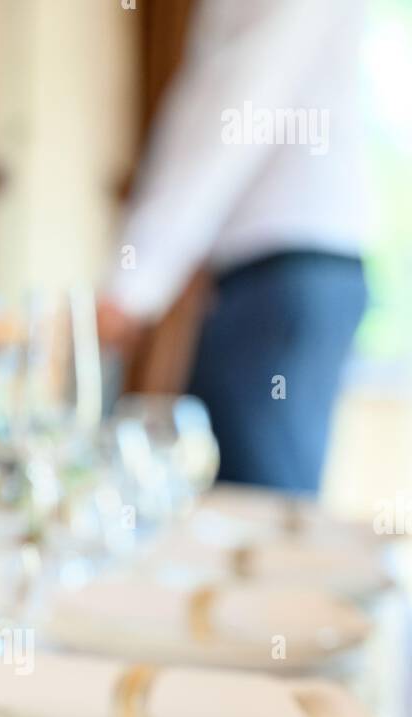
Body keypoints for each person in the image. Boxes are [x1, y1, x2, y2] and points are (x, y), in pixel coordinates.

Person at [101, 0, 369, 495]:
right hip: (287, 270)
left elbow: (236, 111)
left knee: (254, 514)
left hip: (281, 273)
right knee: (252, 507)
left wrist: (131, 284)